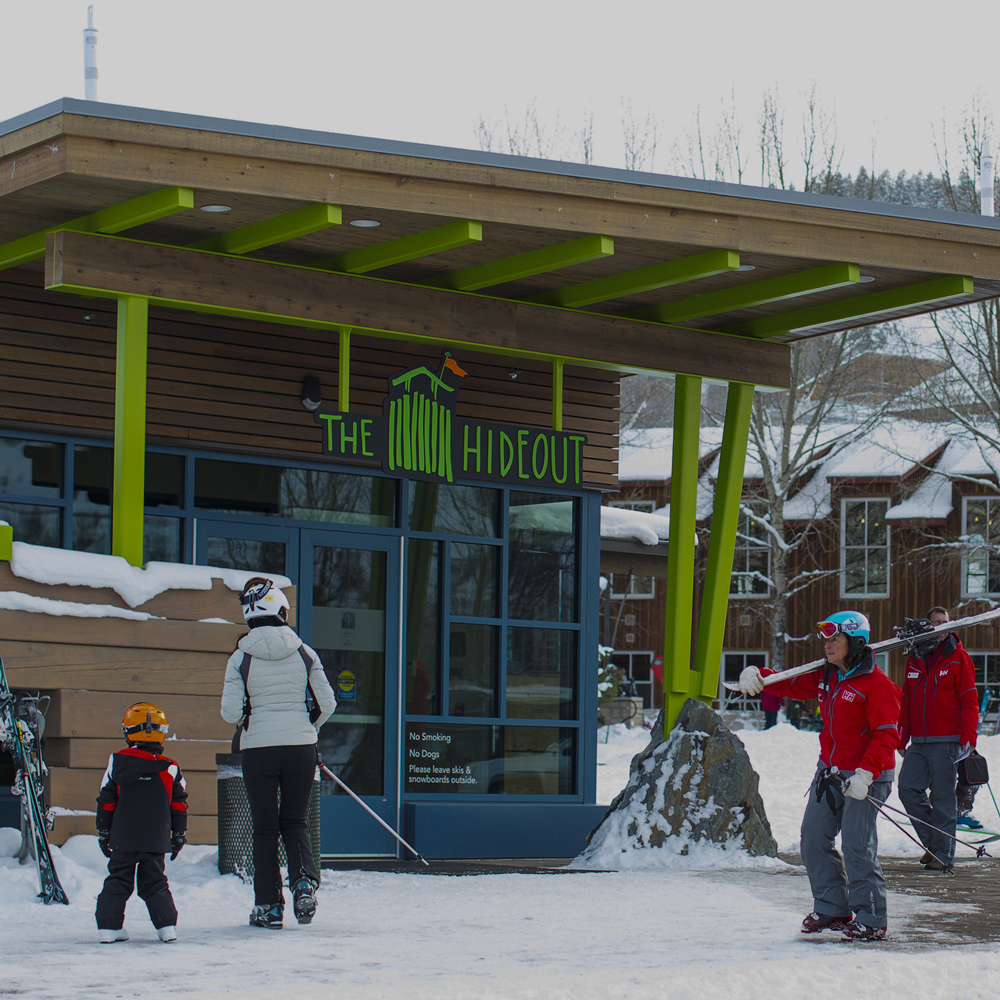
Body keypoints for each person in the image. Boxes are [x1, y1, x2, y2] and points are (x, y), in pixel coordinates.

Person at [738, 611, 901, 942]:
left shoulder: (879, 686)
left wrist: (865, 774)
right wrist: (761, 676)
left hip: (867, 775)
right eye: (826, 639)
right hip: (830, 773)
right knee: (813, 838)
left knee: (857, 844)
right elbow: (792, 682)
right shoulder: (828, 676)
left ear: (855, 642)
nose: (828, 645)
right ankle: (832, 909)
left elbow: (887, 735)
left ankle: (871, 917)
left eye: (835, 639)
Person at [221, 577, 337, 929]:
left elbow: (229, 714)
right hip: (301, 748)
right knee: (295, 821)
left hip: (258, 750)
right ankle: (304, 882)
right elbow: (328, 703)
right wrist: (307, 726)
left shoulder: (240, 657)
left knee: (265, 828)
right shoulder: (304, 652)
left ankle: (269, 907)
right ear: (280, 610)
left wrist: (251, 719)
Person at [95, 702, 188, 944]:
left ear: (128, 731)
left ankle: (108, 928)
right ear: (162, 731)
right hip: (155, 837)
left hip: (124, 836)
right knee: (155, 882)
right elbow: (178, 805)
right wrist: (178, 835)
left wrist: (104, 831)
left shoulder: (117, 762)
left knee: (118, 880)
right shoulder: (171, 768)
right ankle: (167, 927)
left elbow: (106, 800)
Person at [897, 606, 979, 871]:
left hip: (947, 740)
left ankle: (943, 855)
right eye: (935, 622)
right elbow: (906, 701)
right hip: (919, 741)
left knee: (943, 798)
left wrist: (969, 737)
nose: (940, 627)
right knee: (907, 789)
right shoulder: (915, 659)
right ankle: (934, 843)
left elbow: (969, 700)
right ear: (927, 626)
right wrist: (902, 737)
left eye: (945, 622)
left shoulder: (959, 657)